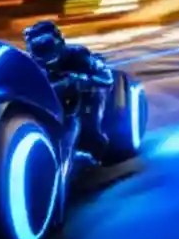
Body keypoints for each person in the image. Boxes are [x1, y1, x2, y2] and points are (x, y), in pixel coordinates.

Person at [23, 20, 113, 152]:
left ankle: (94, 137)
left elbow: (106, 78)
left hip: (81, 97)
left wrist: (81, 81)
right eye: (38, 49)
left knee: (92, 128)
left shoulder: (78, 54)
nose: (45, 53)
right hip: (52, 101)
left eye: (47, 45)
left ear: (59, 42)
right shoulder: (30, 65)